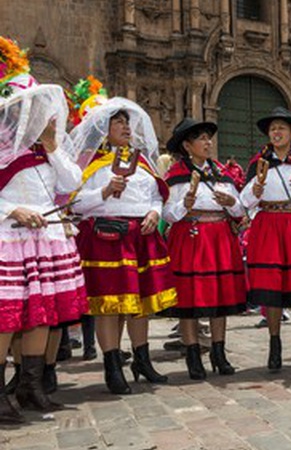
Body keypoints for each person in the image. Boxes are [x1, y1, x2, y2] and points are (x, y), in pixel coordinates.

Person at [0, 37, 87, 420]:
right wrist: (12, 210)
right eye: (27, 108)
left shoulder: (47, 150)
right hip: (10, 239)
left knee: (42, 315)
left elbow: (71, 183)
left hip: (48, 239)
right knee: (8, 315)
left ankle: (30, 385)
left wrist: (53, 147)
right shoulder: (2, 148)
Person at [70, 95, 177, 395]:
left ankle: (142, 359)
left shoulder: (141, 161)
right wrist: (104, 191)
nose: (125, 127)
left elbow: (156, 194)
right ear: (104, 128)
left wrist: (155, 212)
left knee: (140, 305)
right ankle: (112, 364)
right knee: (110, 305)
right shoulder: (91, 163)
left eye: (126, 122)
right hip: (108, 236)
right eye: (118, 122)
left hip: (141, 236)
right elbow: (75, 204)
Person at [240, 107, 291, 373]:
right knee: (271, 289)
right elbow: (245, 201)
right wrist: (254, 190)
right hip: (268, 226)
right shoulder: (259, 163)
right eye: (273, 128)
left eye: (282, 128)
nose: (276, 132)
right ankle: (274, 345)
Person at [163, 118, 247, 379]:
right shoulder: (176, 177)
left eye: (209, 138)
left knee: (220, 298)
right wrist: (184, 205)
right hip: (190, 237)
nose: (208, 142)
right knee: (190, 298)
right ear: (187, 146)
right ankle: (192, 353)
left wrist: (231, 201)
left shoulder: (222, 174)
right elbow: (168, 214)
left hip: (220, 238)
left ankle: (218, 352)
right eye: (201, 138)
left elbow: (240, 210)